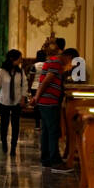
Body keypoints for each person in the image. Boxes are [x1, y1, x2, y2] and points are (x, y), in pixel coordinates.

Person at [35, 38, 72, 171]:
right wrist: (37, 96)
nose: (71, 65)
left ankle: (46, 159)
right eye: (71, 62)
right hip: (49, 101)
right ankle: (55, 161)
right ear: (68, 57)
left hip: (45, 101)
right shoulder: (56, 62)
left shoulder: (50, 60)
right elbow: (46, 81)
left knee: (46, 131)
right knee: (53, 132)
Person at [0, 48, 27, 156]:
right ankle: (4, 143)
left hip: (16, 102)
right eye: (19, 59)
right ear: (12, 59)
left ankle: (13, 147)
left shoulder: (20, 72)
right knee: (4, 124)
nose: (21, 61)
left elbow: (24, 85)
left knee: (16, 125)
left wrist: (23, 98)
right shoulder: (2, 71)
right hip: (4, 102)